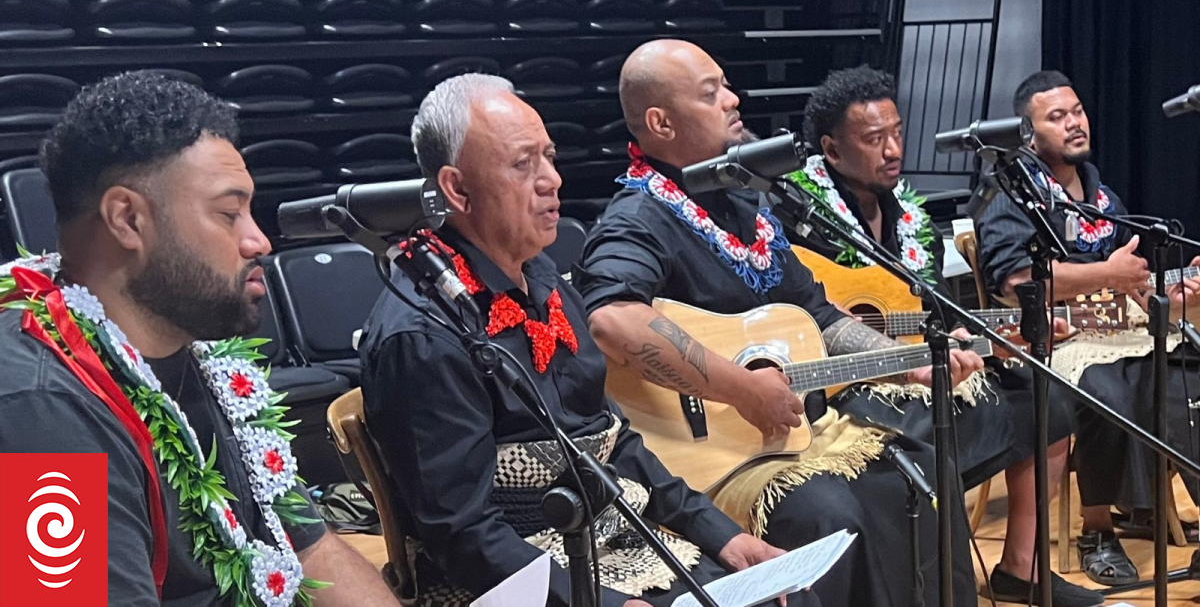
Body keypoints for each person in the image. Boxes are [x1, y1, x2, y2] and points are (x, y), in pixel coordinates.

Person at [358, 73, 815, 607]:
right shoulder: (421, 333)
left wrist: (724, 536)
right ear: (456, 189)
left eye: (549, 157)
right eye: (522, 164)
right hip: (512, 576)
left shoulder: (545, 279)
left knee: (786, 592)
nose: (551, 179)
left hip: (604, 536)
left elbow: (612, 438)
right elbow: (464, 535)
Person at [574, 39, 981, 607]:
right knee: (828, 511)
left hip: (793, 436)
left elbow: (818, 313)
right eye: (711, 93)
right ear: (660, 123)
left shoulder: (746, 206)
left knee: (919, 473)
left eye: (727, 85)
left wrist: (910, 364)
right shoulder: (638, 219)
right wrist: (741, 387)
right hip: (708, 461)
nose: (734, 100)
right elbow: (612, 321)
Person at [0, 71, 399, 606]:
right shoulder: (38, 407)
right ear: (127, 219)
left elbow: (313, 549)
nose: (258, 241)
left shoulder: (202, 352)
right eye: (229, 214)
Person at [788, 65, 1101, 606]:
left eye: (896, 133)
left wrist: (981, 334)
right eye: (873, 139)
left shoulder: (906, 213)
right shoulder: (796, 215)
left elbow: (928, 311)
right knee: (933, 432)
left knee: (1042, 400)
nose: (892, 150)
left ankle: (1021, 568)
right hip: (836, 390)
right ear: (831, 151)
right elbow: (799, 310)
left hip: (913, 367)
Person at [975, 70, 1200, 588]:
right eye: (1057, 117)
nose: (1074, 123)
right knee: (1107, 390)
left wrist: (1166, 296)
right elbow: (1014, 279)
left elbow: (1131, 280)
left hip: (1120, 333)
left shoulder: (1101, 191)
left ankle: (1154, 505)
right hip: (1053, 339)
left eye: (1076, 111)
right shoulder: (1013, 188)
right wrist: (1107, 275)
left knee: (1185, 366)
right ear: (1029, 135)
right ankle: (1097, 530)